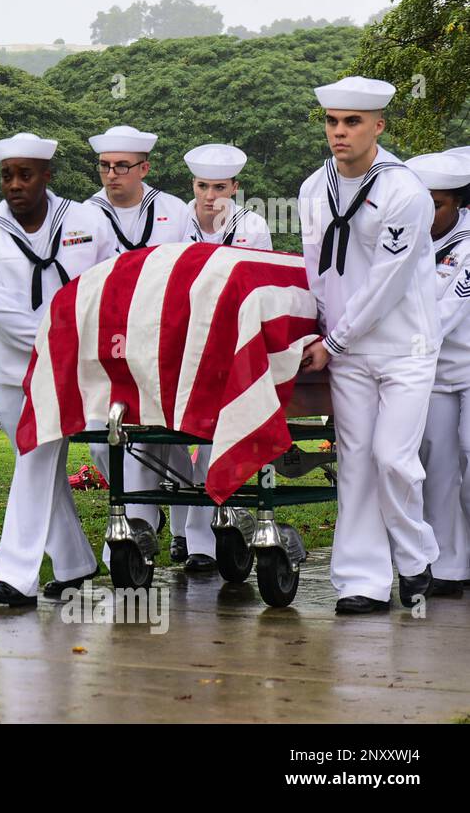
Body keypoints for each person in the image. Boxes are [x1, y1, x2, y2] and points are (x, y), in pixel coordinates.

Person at [298, 76, 440, 614]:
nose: (340, 132)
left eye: (352, 122)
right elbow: (316, 267)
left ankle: (415, 554)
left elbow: (387, 281)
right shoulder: (314, 188)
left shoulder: (405, 190)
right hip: (345, 348)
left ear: (378, 125)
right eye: (332, 122)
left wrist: (333, 338)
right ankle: (362, 580)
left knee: (392, 458)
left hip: (404, 345)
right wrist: (317, 329)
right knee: (355, 462)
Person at [0, 132, 117, 606]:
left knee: (35, 463)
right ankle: (74, 564)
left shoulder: (87, 219)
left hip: (83, 368)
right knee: (40, 469)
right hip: (16, 372)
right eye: (7, 175)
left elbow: (112, 279)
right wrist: (55, 348)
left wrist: (80, 349)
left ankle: (15, 578)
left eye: (25, 175)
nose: (14, 185)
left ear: (47, 176)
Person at [85, 125, 197, 563]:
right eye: (105, 166)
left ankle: (138, 535)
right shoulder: (84, 215)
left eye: (122, 167)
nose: (112, 175)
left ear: (144, 168)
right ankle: (151, 516)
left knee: (154, 436)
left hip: (160, 340)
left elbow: (190, 269)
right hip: (104, 343)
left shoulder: (172, 210)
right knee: (100, 437)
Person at [170, 144, 275, 571]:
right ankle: (180, 530)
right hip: (182, 342)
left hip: (233, 342)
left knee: (213, 441)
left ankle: (200, 542)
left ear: (234, 187)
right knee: (172, 438)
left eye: (219, 187)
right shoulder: (176, 222)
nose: (210, 196)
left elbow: (260, 282)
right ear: (191, 185)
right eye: (202, 186)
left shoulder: (252, 225)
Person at [408, 151, 470, 596]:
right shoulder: (406, 237)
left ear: (459, 205)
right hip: (434, 372)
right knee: (439, 469)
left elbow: (446, 312)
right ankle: (448, 568)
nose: (429, 214)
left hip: (465, 366)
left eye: (439, 204)